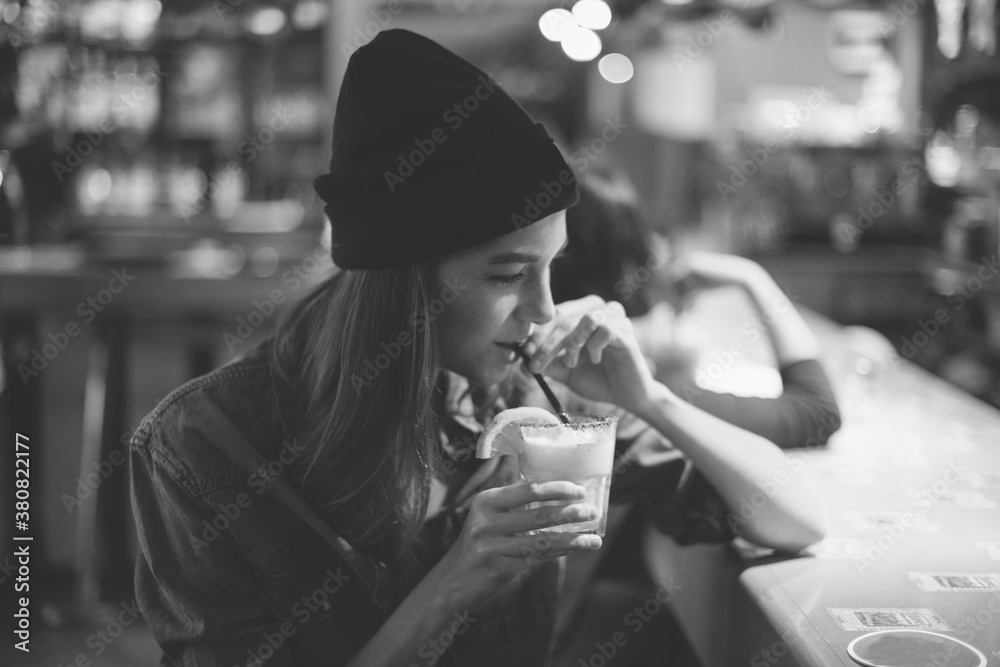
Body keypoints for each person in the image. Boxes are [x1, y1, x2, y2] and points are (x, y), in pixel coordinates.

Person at [130, 30, 824, 667]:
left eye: (551, 266)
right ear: (405, 285)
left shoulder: (534, 393)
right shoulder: (203, 446)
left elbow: (794, 518)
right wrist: (454, 582)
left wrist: (652, 399)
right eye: (508, 274)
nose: (545, 308)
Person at [552, 169, 842, 451]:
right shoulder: (631, 390)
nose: (661, 246)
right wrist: (753, 278)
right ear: (629, 265)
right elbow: (817, 412)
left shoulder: (555, 367)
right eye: (643, 233)